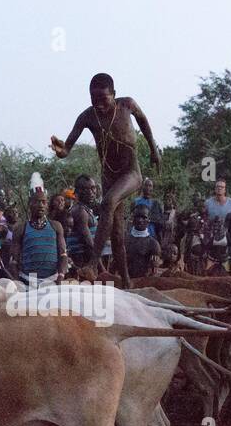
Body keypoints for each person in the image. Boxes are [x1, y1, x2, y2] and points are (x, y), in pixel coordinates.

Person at [50, 73, 161, 286]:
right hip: (109, 177)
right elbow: (67, 149)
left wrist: (153, 150)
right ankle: (127, 283)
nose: (99, 105)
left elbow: (144, 121)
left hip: (131, 173)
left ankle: (93, 264)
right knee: (118, 235)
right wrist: (59, 149)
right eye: (94, 101)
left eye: (104, 100)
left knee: (108, 202)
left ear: (114, 95)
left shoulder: (127, 105)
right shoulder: (87, 117)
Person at [12, 191, 67, 284]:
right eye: (36, 202)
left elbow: (63, 254)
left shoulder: (56, 226)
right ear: (30, 204)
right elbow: (14, 260)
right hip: (27, 281)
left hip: (53, 280)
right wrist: (17, 282)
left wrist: (60, 276)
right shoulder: (21, 228)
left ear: (47, 205)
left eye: (43, 202)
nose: (40, 205)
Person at [64, 176, 98, 274]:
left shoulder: (85, 209)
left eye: (93, 188)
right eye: (87, 189)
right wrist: (101, 268)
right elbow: (89, 243)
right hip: (81, 259)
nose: (91, 192)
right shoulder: (80, 211)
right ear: (78, 192)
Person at [204, 180, 231, 270]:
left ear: (225, 190)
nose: (219, 188)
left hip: (228, 234)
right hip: (211, 234)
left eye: (221, 187)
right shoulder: (208, 203)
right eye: (217, 187)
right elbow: (204, 217)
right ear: (215, 189)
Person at [124, 208, 161, 279]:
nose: (140, 220)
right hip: (124, 281)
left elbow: (154, 271)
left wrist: (154, 264)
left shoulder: (153, 244)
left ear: (148, 221)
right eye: (137, 217)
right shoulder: (124, 240)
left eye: (144, 217)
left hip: (143, 283)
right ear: (133, 220)